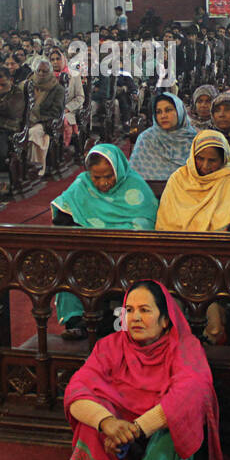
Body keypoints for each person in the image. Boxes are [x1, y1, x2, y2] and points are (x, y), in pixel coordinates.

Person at [64, 280, 223, 460]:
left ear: (165, 319)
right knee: (91, 425)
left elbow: (190, 393)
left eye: (145, 310)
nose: (135, 318)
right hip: (118, 429)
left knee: (176, 425)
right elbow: (77, 388)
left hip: (155, 431)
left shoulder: (185, 347)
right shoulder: (110, 346)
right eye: (129, 310)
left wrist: (136, 429)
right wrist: (106, 422)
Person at [51, 144, 160, 339]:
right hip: (88, 258)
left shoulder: (134, 186)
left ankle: (114, 326)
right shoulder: (82, 185)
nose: (103, 183)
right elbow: (63, 219)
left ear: (118, 170)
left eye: (109, 176)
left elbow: (145, 224)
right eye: (97, 177)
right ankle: (77, 324)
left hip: (126, 259)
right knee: (70, 273)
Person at [155, 130, 230, 232]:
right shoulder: (178, 178)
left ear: (223, 159)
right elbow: (166, 220)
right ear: (193, 155)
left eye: (212, 160)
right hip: (176, 243)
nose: (205, 166)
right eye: (200, 158)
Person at [131, 92, 198, 182]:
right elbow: (134, 178)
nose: (163, 116)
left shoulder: (193, 140)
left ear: (179, 111)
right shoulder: (146, 139)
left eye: (168, 110)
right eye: (158, 112)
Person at [24, 57, 65, 177]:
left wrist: (36, 119)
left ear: (50, 72)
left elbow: (56, 112)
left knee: (33, 133)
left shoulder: (57, 89)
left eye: (45, 71)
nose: (41, 74)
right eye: (39, 71)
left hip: (45, 123)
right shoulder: (27, 85)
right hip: (25, 120)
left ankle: (35, 169)